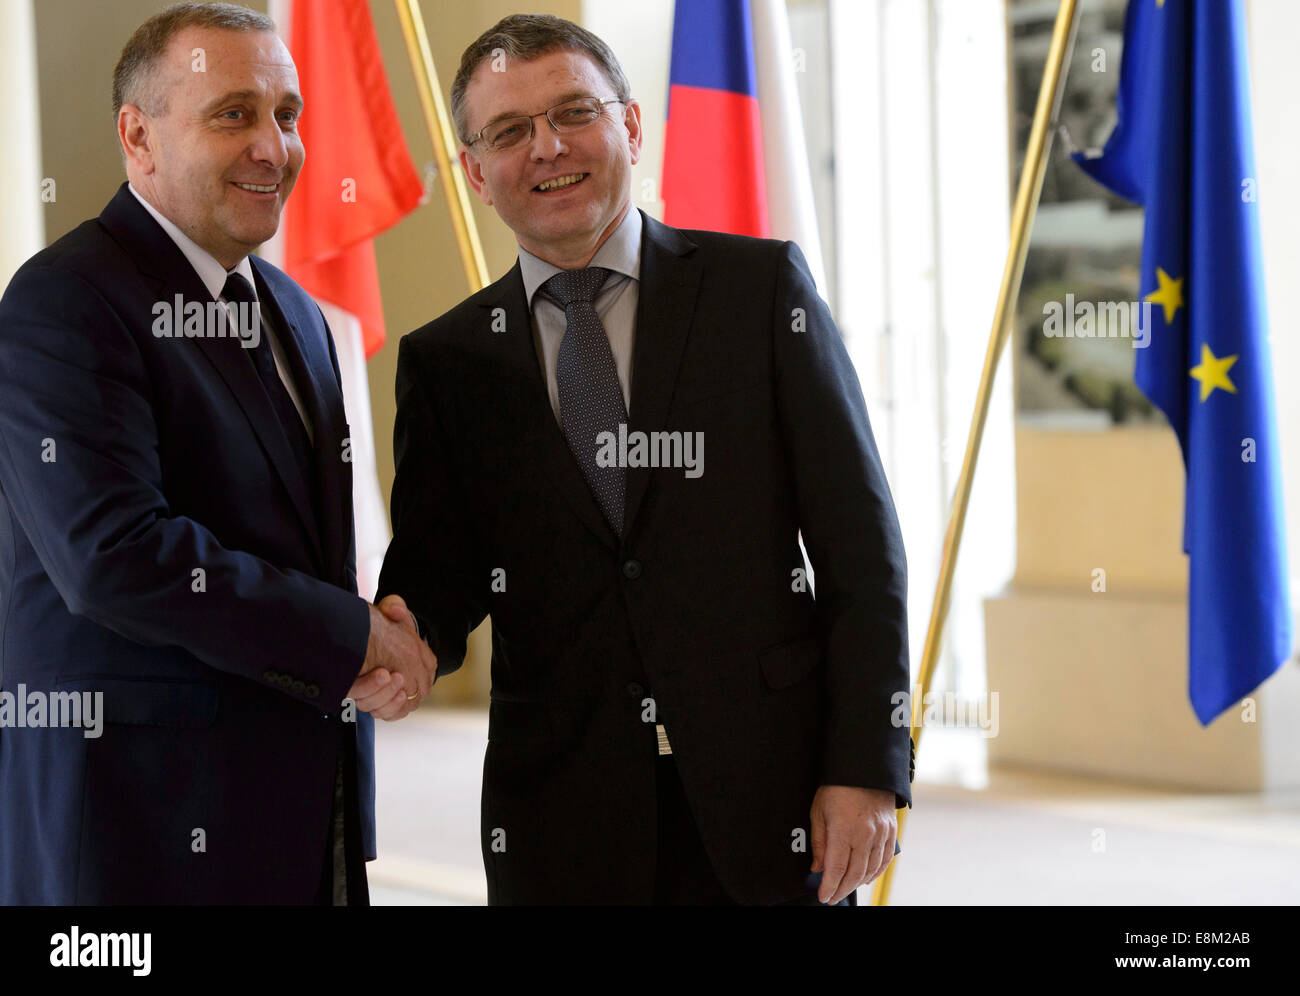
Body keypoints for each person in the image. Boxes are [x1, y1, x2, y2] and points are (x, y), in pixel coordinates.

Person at [377, 13, 914, 906]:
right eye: (509, 131)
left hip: (769, 796)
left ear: (629, 126)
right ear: (474, 172)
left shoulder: (761, 294)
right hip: (560, 817)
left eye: (573, 113)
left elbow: (864, 550)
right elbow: (442, 575)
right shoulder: (449, 360)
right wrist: (387, 643)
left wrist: (866, 766)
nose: (547, 147)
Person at [0, 1, 434, 905]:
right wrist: (354, 637)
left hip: (307, 827)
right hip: (140, 842)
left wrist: (378, 635)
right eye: (233, 113)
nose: (274, 148)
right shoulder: (64, 302)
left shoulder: (301, 314)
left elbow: (303, 555)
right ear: (139, 136)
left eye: (287, 115)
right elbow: (113, 558)